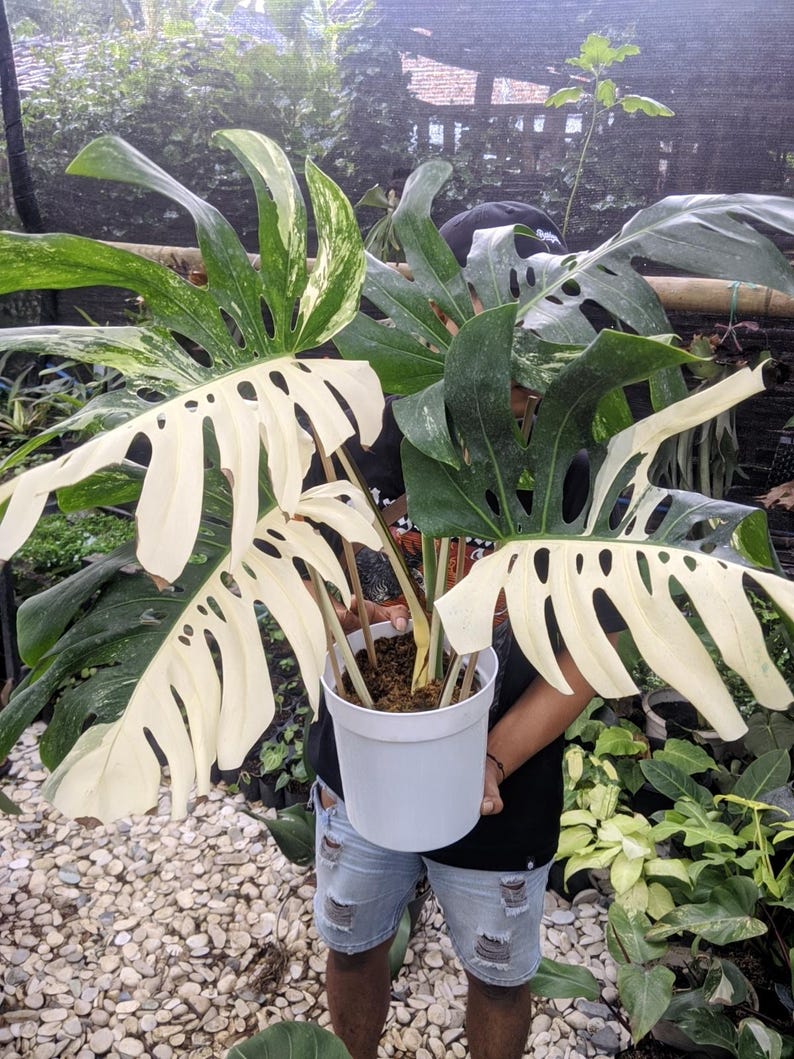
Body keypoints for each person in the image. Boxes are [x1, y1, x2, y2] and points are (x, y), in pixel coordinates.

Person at [306, 201, 621, 1059]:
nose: (507, 359)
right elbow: (302, 550)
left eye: (534, 330)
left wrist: (491, 757)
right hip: (364, 755)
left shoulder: (578, 463)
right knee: (353, 937)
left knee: (499, 973)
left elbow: (589, 651)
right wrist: (335, 608)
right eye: (480, 326)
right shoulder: (366, 432)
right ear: (432, 315)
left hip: (504, 779)